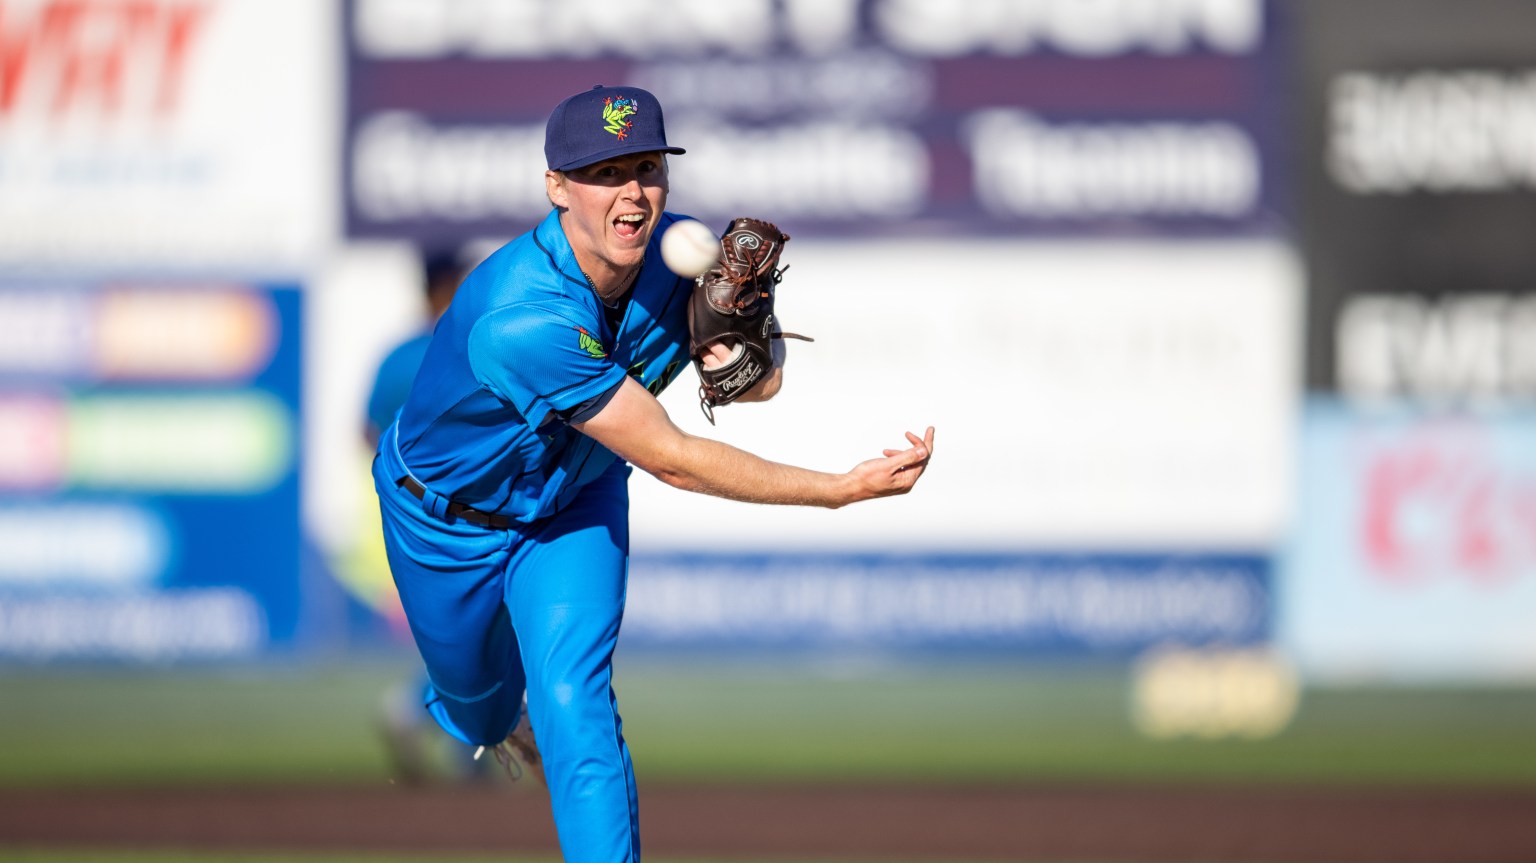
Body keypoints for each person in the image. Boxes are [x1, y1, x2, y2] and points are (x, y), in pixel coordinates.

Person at [373, 84, 935, 862]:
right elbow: (673, 458)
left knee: (577, 708)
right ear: (557, 187)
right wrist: (837, 489)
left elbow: (759, 382)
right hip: (443, 518)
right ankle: (496, 719)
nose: (632, 191)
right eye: (603, 172)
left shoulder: (680, 257)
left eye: (646, 166)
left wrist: (743, 346)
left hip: (573, 504)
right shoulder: (522, 316)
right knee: (478, 710)